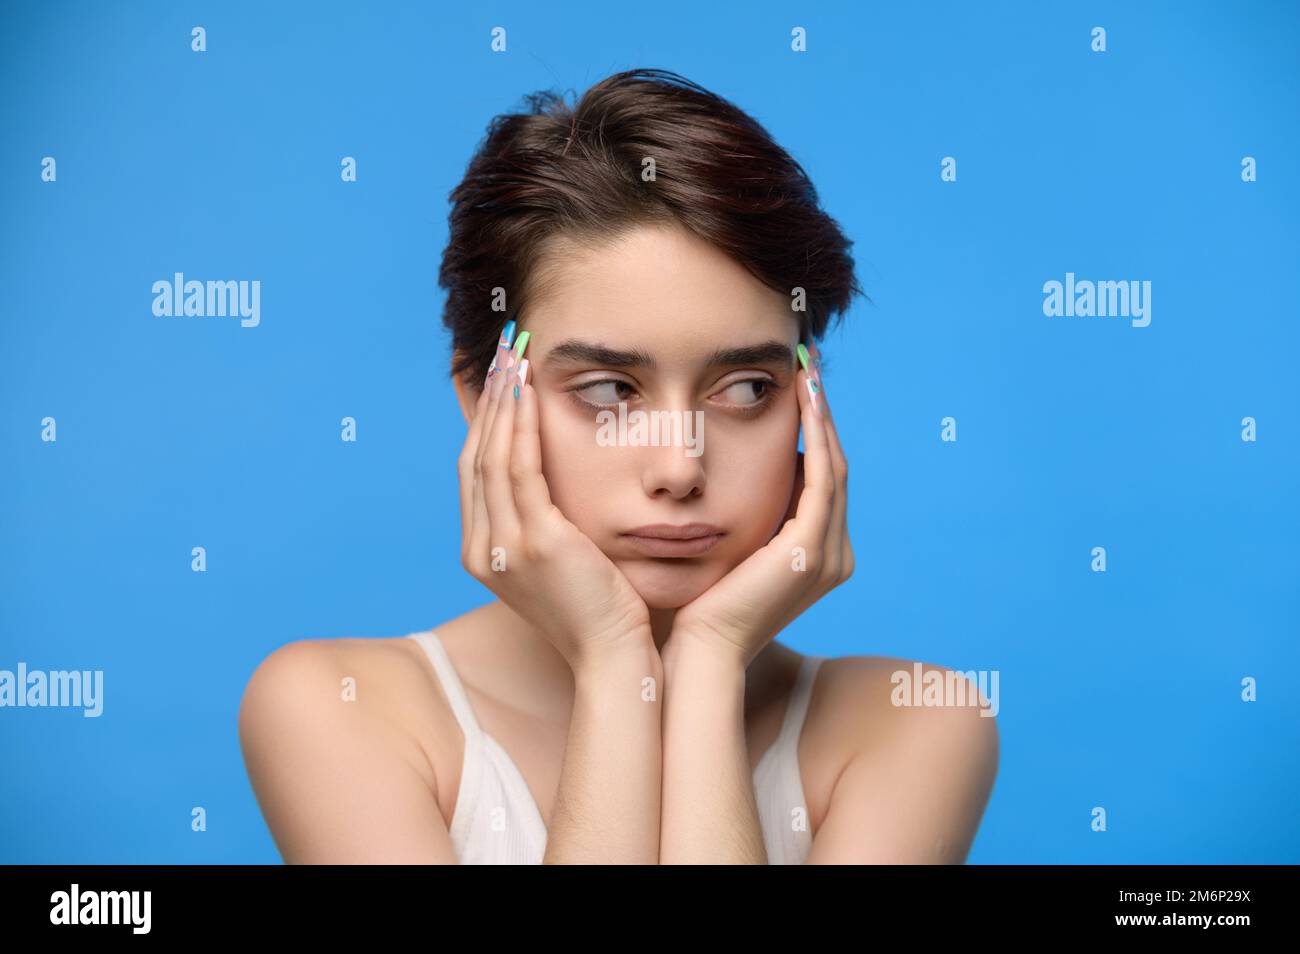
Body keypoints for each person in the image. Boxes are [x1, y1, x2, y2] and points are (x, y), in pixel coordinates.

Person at [238, 68, 999, 864]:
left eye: (746, 388)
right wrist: (612, 659)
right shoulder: (336, 708)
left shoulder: (915, 722)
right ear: (482, 395)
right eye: (609, 390)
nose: (679, 468)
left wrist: (706, 665)